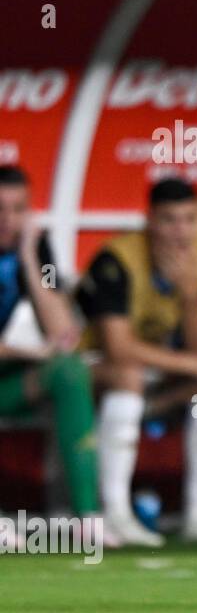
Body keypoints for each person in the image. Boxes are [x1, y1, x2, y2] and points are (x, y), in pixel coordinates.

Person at [76, 178, 197, 546]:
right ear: (150, 221)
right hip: (94, 372)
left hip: (157, 378)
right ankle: (116, 512)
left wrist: (189, 297)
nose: (181, 232)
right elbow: (117, 347)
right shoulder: (116, 259)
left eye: (190, 219)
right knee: (129, 374)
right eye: (170, 220)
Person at [0, 165, 99, 522]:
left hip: (9, 382)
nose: (8, 220)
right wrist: (28, 352)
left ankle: (87, 516)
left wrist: (29, 259)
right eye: (0, 209)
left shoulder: (37, 249)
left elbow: (62, 335)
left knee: (70, 372)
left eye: (18, 209)